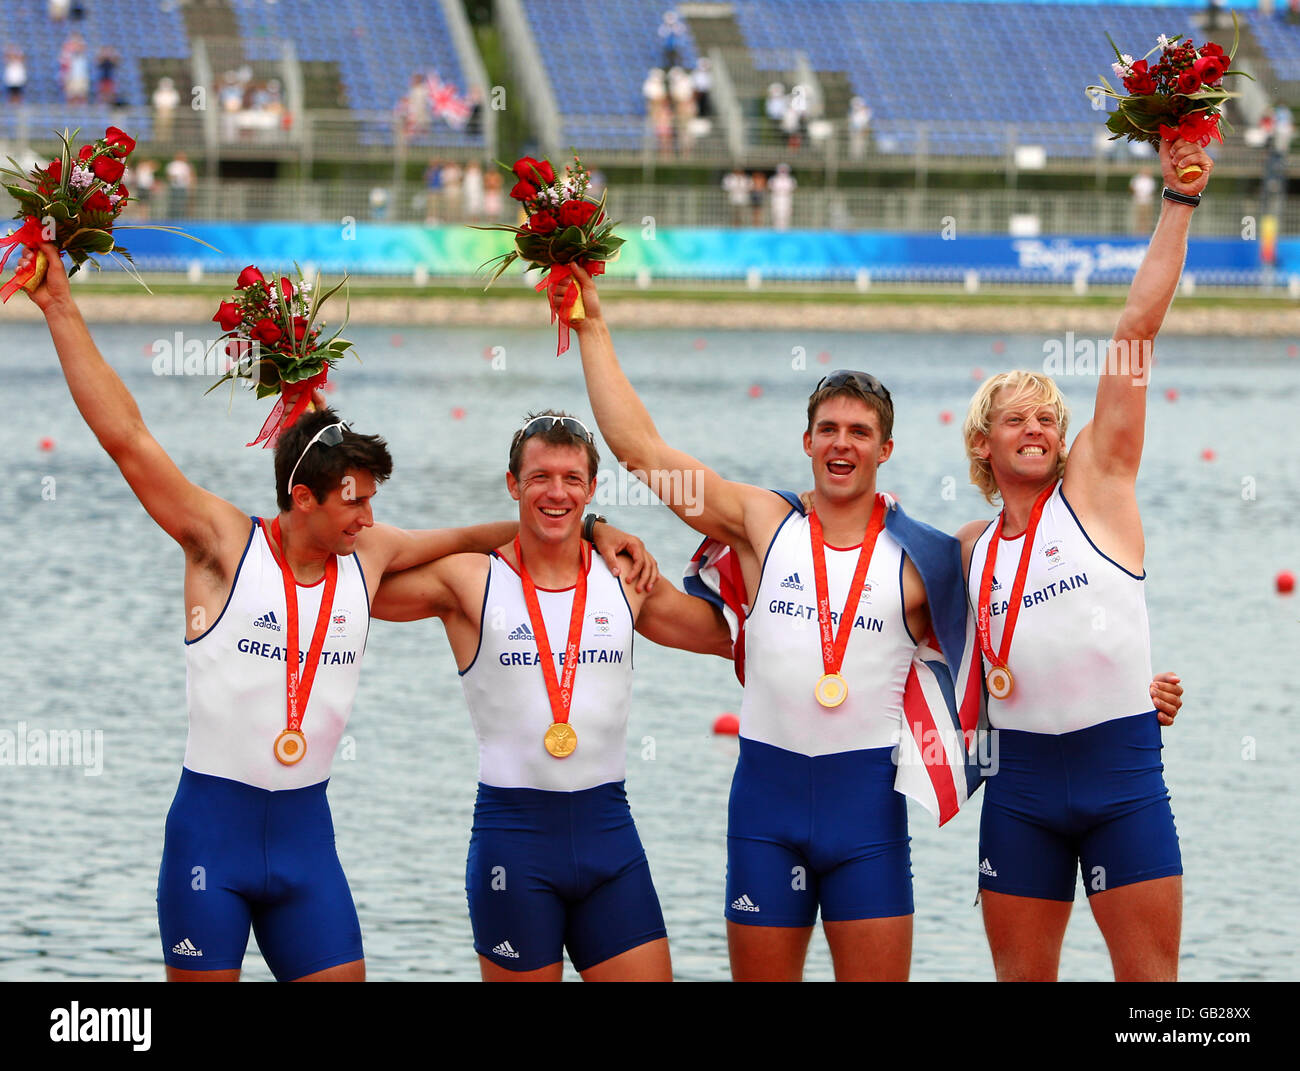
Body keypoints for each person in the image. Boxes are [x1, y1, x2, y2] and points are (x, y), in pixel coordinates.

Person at [16, 244, 655, 982]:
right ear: (303, 497)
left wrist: (597, 526)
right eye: (355, 499)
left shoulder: (368, 552)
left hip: (307, 852)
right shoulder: (221, 545)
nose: (371, 515)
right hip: (208, 846)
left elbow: (490, 531)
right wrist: (60, 305)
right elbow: (127, 439)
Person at [566, 264, 1185, 981]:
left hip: (868, 821)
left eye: (860, 431)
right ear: (807, 442)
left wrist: (1137, 687)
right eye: (827, 428)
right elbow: (643, 454)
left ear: (884, 451)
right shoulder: (763, 523)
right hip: (765, 811)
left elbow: (1050, 615)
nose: (842, 442)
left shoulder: (930, 558)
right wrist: (590, 326)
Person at [956, 137, 1209, 982]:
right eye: (1015, 420)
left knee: (1155, 1002)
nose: (1036, 429)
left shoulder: (1094, 488)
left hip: (1122, 780)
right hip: (1018, 790)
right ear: (982, 445)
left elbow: (1136, 328)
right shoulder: (969, 550)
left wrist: (1178, 200)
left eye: (1047, 419)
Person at [371, 412, 733, 981]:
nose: (556, 492)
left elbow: (732, 636)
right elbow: (360, 571)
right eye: (539, 478)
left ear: (591, 489)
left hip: (610, 840)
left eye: (571, 479)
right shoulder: (468, 581)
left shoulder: (626, 579)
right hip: (514, 847)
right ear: (513, 485)